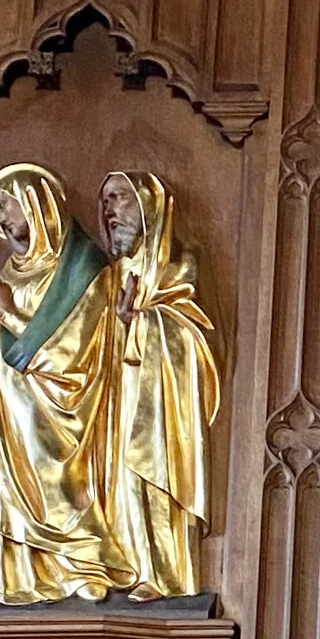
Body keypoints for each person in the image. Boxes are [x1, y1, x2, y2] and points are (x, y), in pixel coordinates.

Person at [0, 165, 123, 603]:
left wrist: (6, 311)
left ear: (37, 201)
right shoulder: (9, 271)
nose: (2, 215)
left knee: (61, 487)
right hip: (3, 419)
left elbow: (75, 355)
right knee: (1, 485)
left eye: (7, 203)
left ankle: (77, 562)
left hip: (57, 413)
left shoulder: (85, 269)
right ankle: (3, 572)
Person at [99, 170, 220, 598]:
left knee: (150, 474)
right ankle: (126, 566)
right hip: (116, 398)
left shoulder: (177, 264)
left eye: (120, 198)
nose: (110, 210)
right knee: (119, 480)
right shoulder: (109, 277)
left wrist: (141, 322)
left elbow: (195, 337)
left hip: (161, 398)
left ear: (149, 203)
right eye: (106, 201)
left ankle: (164, 574)